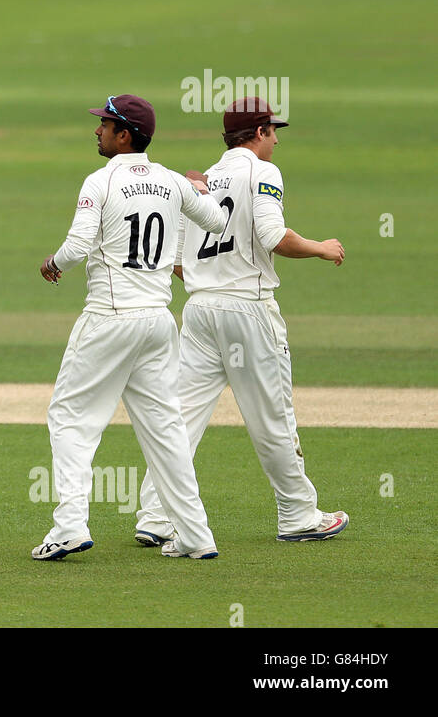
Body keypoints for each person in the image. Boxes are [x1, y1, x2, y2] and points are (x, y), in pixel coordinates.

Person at [135, 97, 349, 545]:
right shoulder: (262, 172)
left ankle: (155, 517)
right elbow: (273, 236)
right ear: (258, 134)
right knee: (273, 418)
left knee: (179, 418)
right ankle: (298, 515)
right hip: (248, 310)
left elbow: (176, 262)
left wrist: (208, 277)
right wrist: (320, 247)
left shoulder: (202, 182)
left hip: (198, 312)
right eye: (273, 131)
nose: (277, 139)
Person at [34, 94, 227, 561]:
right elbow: (218, 221)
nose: (96, 131)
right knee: (166, 429)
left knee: (70, 418)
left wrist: (52, 264)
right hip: (159, 322)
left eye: (103, 124)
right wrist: (198, 189)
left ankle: (69, 526)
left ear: (125, 134)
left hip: (109, 317)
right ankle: (197, 537)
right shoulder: (171, 182)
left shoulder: (100, 181)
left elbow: (78, 245)